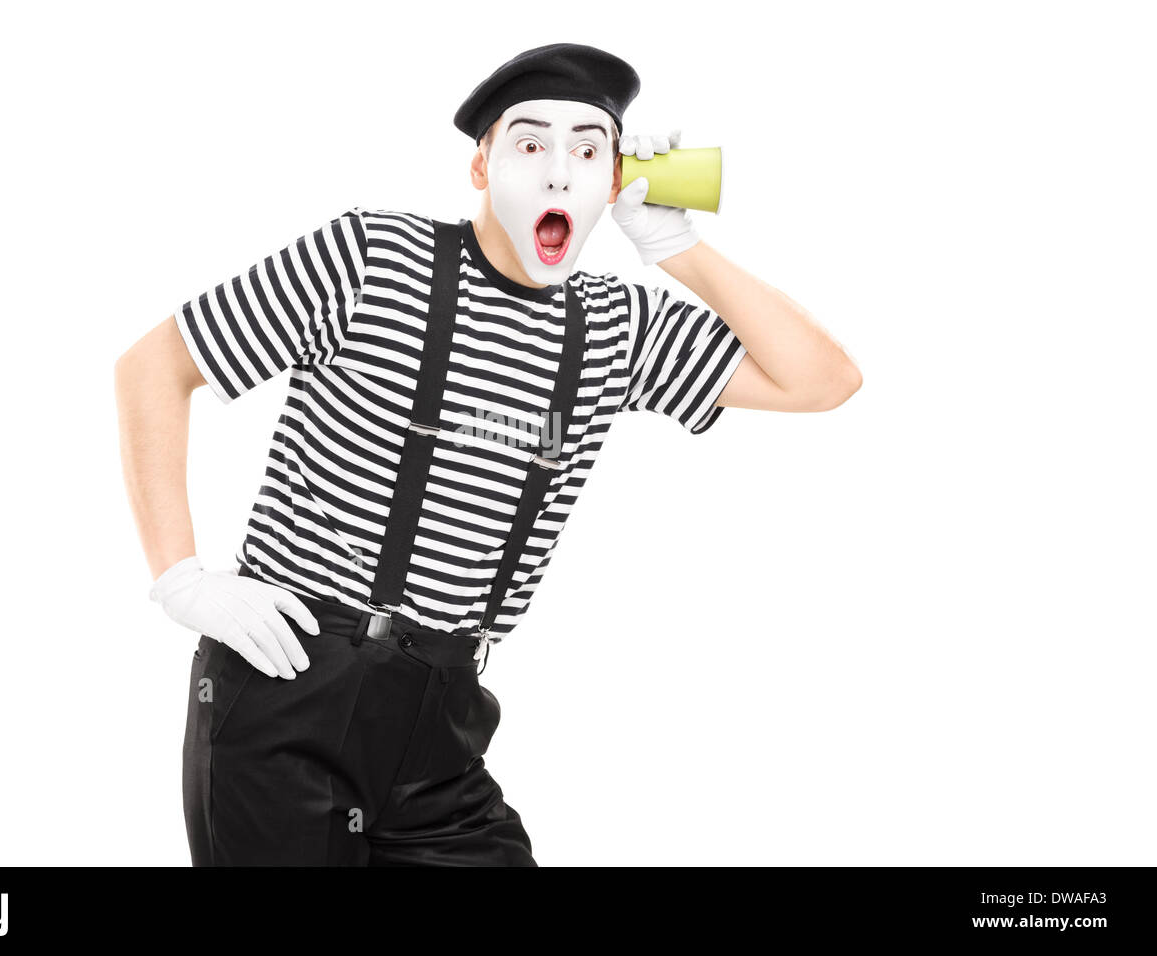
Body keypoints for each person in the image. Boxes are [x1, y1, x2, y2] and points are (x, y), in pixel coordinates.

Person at [114, 41, 861, 866]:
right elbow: (155, 366)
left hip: (443, 717)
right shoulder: (372, 257)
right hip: (291, 687)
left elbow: (822, 380)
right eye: (530, 143)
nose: (556, 173)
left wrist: (674, 247)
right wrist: (180, 579)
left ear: (612, 182)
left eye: (587, 151)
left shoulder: (620, 326)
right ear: (482, 166)